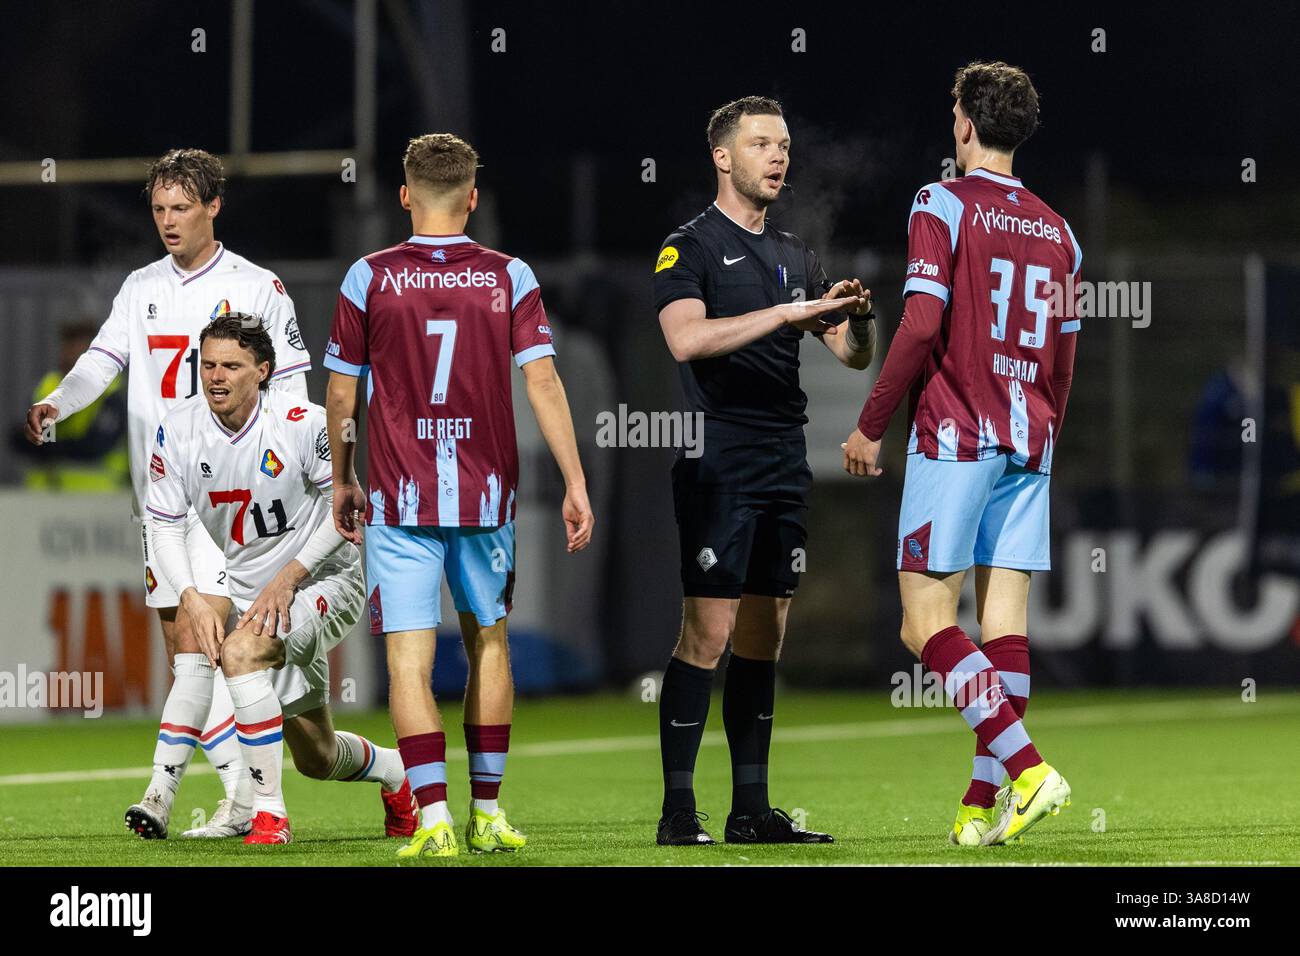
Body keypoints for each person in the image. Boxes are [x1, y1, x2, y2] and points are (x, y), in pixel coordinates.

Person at [23, 148, 312, 839]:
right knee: (188, 654)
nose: (168, 222)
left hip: (236, 505)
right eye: (158, 209)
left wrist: (292, 476)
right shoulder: (141, 287)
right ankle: (252, 797)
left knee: (203, 650)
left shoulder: (257, 287)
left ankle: (229, 800)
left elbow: (295, 388)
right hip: (164, 501)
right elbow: (103, 359)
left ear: (214, 206)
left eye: (182, 207)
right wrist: (60, 404)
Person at [324, 133, 594, 857]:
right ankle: (487, 814)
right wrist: (574, 480)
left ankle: (435, 822)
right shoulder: (510, 276)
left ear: (405, 197)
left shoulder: (368, 277)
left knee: (409, 666)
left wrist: (343, 476)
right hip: (484, 499)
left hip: (400, 502)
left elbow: (343, 393)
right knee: (491, 645)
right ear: (474, 198)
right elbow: (542, 382)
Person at [843, 62, 1080, 846]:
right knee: (1003, 625)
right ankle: (979, 810)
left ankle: (1031, 771)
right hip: (1029, 438)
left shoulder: (939, 202)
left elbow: (918, 324)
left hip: (956, 435)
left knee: (923, 626)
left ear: (965, 125)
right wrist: (1044, 435)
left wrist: (873, 422)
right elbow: (1064, 359)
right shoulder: (1061, 233)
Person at [652, 96, 875, 846]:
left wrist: (855, 315)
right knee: (707, 633)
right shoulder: (687, 247)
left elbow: (850, 353)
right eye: (760, 145)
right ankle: (679, 812)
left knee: (763, 636)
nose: (778, 157)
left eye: (783, 145)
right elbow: (685, 341)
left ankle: (751, 810)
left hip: (784, 459)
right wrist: (784, 315)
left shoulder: (795, 253)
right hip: (721, 458)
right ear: (723, 156)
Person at [146, 314, 417, 845]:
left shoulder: (303, 423)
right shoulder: (177, 430)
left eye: (231, 365)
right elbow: (164, 524)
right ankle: (396, 773)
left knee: (241, 653)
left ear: (263, 371)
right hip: (254, 595)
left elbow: (350, 515)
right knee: (317, 756)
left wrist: (289, 578)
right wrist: (191, 596)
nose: (216, 376)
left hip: (324, 582)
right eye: (207, 365)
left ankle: (268, 814)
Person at [15, 322, 128, 491]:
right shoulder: (48, 387)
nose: (72, 354)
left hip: (98, 496)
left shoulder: (111, 392)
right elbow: (38, 439)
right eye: (69, 347)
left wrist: (51, 446)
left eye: (81, 349)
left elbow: (96, 446)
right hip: (44, 495)